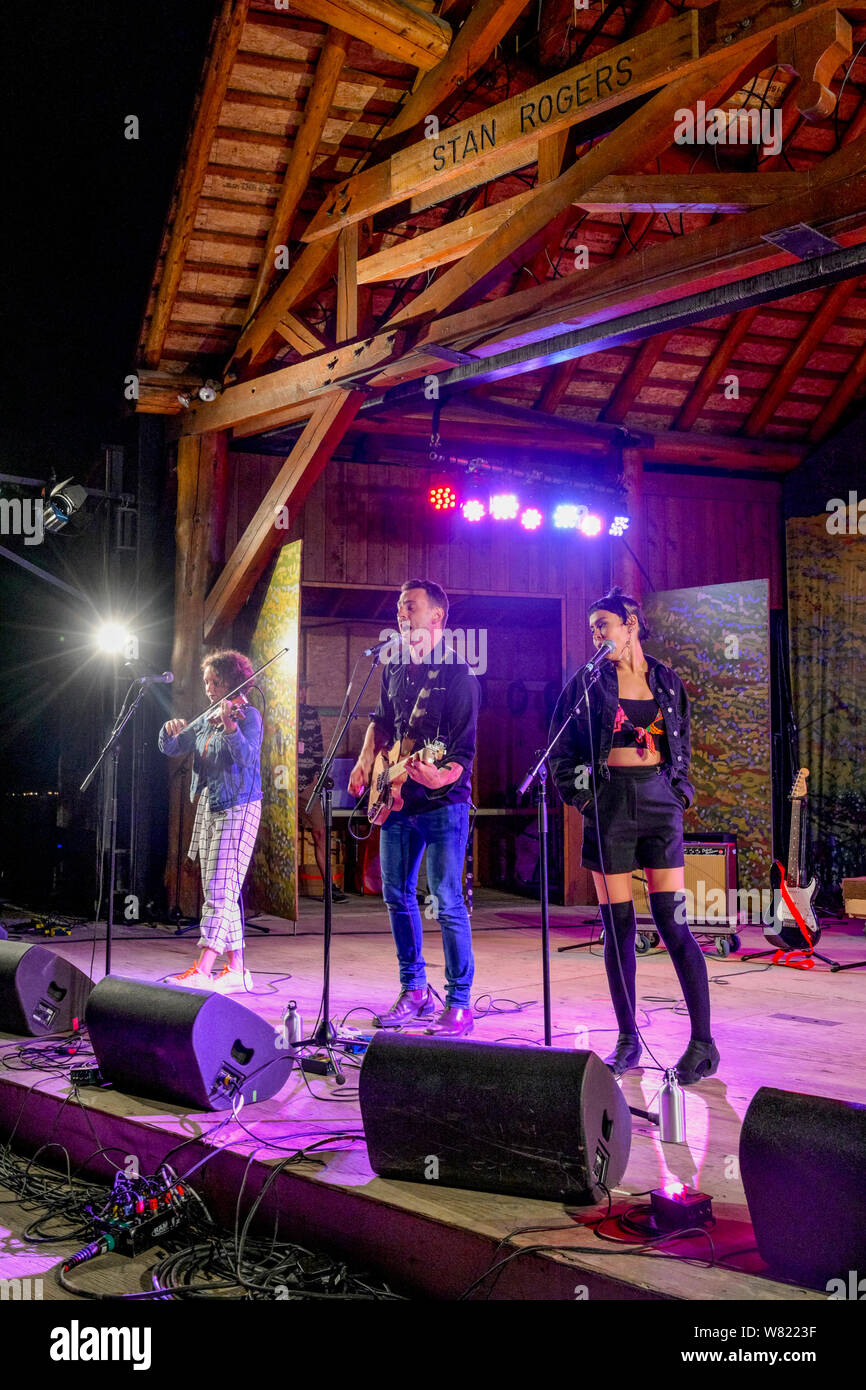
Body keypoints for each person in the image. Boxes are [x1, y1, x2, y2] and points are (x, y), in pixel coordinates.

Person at [549, 586, 719, 1085]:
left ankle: (703, 1044)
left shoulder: (665, 679)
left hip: (659, 804)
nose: (597, 635)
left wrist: (680, 794)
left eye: (604, 625)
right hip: (611, 804)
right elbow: (559, 752)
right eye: (593, 628)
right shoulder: (586, 683)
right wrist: (584, 800)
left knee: (672, 922)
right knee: (618, 925)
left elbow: (683, 740)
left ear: (631, 624)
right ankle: (628, 1040)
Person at [348, 580, 480, 1037]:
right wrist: (369, 761)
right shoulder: (395, 667)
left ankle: (460, 1002)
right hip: (397, 801)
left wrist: (441, 774)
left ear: (437, 618)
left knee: (446, 901)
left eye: (410, 607)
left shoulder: (459, 676)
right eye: (400, 608)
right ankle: (415, 989)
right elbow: (381, 722)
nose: (401, 614)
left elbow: (461, 754)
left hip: (442, 805)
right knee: (396, 896)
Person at [158, 650, 263, 993]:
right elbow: (174, 747)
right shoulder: (206, 717)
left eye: (214, 682)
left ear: (232, 681)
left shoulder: (249, 716)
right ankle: (237, 970)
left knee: (220, 889)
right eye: (206, 682)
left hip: (239, 806)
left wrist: (231, 726)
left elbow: (246, 759)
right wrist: (169, 730)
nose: (208, 689)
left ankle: (203, 967)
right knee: (223, 888)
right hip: (210, 804)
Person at [297, 676, 348, 903]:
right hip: (283, 784)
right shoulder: (277, 713)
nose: (302, 693)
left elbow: (317, 747)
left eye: (303, 689)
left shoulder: (310, 714)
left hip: (308, 783)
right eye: (299, 689)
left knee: (320, 832)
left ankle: (329, 886)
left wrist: (317, 774)